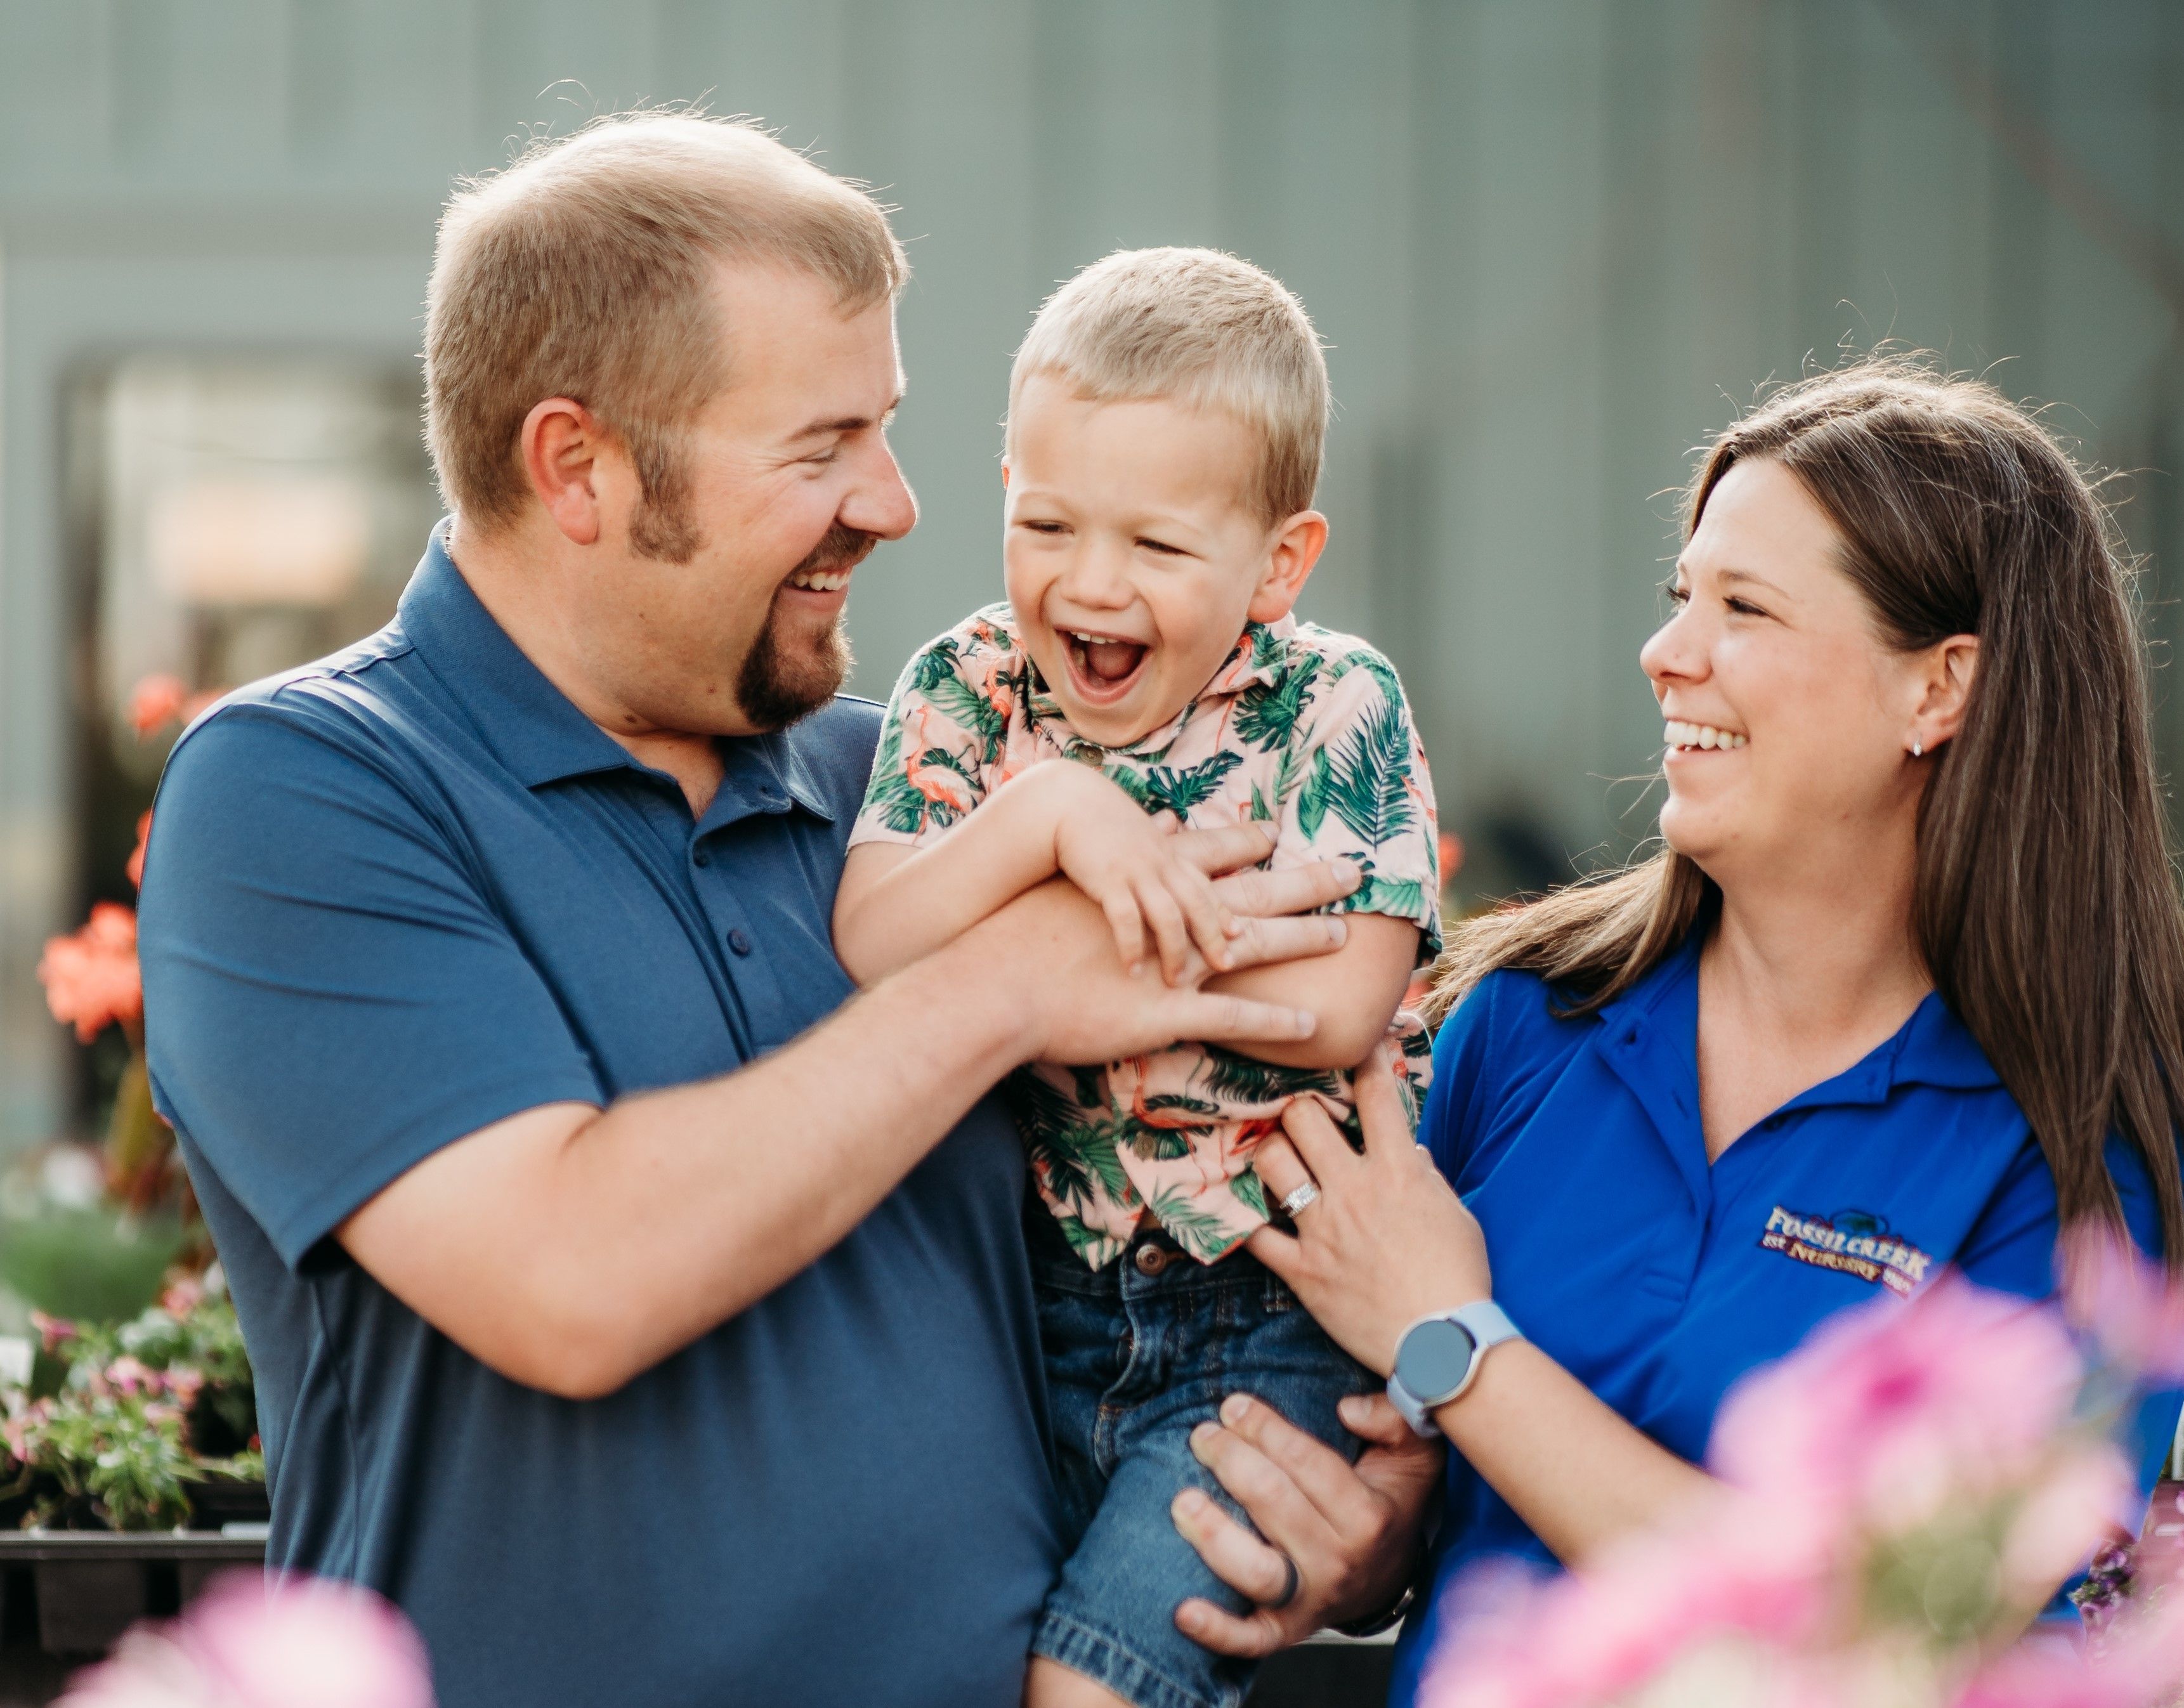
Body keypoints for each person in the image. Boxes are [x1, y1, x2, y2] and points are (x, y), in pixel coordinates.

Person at [133, 114, 1436, 1708]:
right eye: (822, 448)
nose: (893, 505)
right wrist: (1008, 987)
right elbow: (572, 1280)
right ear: (580, 469)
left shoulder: (908, 785)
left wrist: (1334, 1516)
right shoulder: (306, 793)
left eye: (886, 432)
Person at [1168, 356, 2184, 1704]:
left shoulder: (2071, 1166)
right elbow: (1421, 1492)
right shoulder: (1519, 1022)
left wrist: (1458, 1341)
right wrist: (1367, 1545)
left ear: (1938, 692)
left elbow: (1893, 1646)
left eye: (1745, 609)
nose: (1666, 654)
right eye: (1680, 599)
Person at [831, 247, 1441, 1708]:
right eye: (1045, 522)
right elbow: (872, 939)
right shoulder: (968, 687)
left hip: (1265, 1307)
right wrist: (1055, 822)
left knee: (1098, 1684)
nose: (1088, 583)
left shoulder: (1334, 706)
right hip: (1026, 1304)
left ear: (1278, 562)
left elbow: (1338, 1007)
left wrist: (1037, 960)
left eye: (1158, 549)